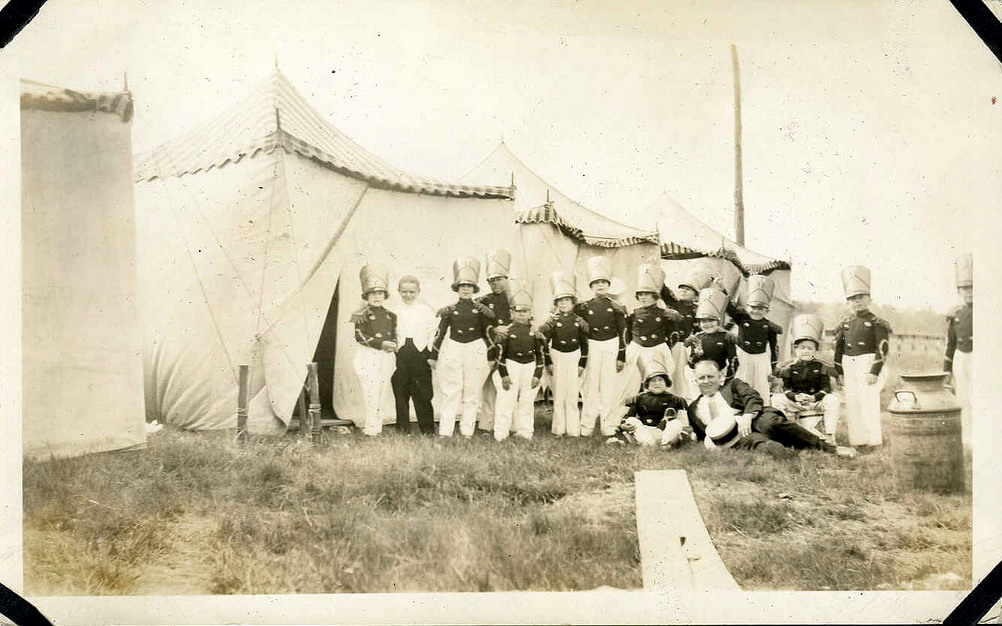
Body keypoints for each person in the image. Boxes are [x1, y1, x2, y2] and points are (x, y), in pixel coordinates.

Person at [687, 359, 855, 458]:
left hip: (753, 419)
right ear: (696, 381)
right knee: (757, 443)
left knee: (771, 422)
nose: (706, 381)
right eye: (702, 378)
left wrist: (748, 416)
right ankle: (779, 450)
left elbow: (753, 397)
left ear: (720, 377)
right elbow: (701, 435)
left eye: (710, 376)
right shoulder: (693, 409)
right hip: (735, 436)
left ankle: (826, 447)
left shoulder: (733, 385)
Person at [428, 257, 496, 438]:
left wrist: (491, 356)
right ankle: (445, 431)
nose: (465, 289)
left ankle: (467, 431)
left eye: (469, 286)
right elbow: (440, 333)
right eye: (462, 286)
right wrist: (433, 355)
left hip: (475, 349)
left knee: (472, 391)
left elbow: (488, 334)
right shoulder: (449, 310)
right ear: (457, 289)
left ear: (474, 289)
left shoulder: (481, 310)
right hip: (454, 348)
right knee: (451, 390)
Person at [613, 263, 683, 420]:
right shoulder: (634, 314)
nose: (643, 297)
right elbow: (626, 334)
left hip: (657, 350)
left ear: (655, 296)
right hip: (636, 350)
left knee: (661, 382)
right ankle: (622, 417)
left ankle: (665, 415)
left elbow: (673, 335)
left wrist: (663, 348)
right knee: (628, 383)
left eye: (647, 294)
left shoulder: (665, 314)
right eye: (640, 294)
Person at [833, 265, 892, 448]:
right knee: (853, 401)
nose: (857, 301)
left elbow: (882, 348)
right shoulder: (845, 323)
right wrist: (838, 372)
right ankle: (858, 440)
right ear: (847, 302)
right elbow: (838, 349)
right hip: (849, 364)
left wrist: (874, 371)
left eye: (861, 297)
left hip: (867, 364)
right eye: (852, 298)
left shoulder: (877, 323)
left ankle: (873, 440)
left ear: (869, 299)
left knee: (868, 401)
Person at [575, 256, 627, 438]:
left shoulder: (616, 306)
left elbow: (623, 332)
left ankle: (608, 425)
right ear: (591, 286)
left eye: (603, 282)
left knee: (609, 386)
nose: (600, 285)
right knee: (590, 386)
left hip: (611, 344)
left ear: (609, 285)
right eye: (596, 283)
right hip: (592, 346)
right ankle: (586, 426)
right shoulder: (583, 306)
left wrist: (621, 356)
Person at [771, 314, 841, 445]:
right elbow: (786, 387)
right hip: (796, 401)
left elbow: (826, 387)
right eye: (802, 348)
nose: (806, 351)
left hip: (815, 401)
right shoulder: (789, 367)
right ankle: (788, 434)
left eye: (810, 348)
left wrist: (814, 398)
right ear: (795, 349)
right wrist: (795, 397)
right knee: (776, 399)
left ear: (815, 350)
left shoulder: (821, 366)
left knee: (833, 399)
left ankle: (830, 435)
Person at [536, 270, 589, 437]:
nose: (564, 303)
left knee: (572, 394)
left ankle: (573, 430)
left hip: (574, 357)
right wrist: (548, 362)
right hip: (557, 356)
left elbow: (585, 344)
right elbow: (544, 340)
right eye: (560, 300)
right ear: (556, 303)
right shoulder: (554, 321)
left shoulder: (578, 321)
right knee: (559, 394)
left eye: (567, 300)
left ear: (573, 302)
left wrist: (582, 364)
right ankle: (558, 429)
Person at [492, 283, 544, 441]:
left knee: (526, 401)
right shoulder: (507, 332)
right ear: (512, 313)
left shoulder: (535, 332)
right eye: (518, 311)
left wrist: (537, 374)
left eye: (525, 311)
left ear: (530, 313)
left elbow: (540, 355)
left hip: (529, 367)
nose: (521, 314)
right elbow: (500, 355)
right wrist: (504, 375)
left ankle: (525, 432)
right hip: (511, 365)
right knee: (506, 400)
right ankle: (501, 433)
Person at [351, 264, 397, 436]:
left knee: (382, 389)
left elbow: (394, 334)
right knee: (370, 389)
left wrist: (393, 344)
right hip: (368, 355)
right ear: (367, 296)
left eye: (380, 293)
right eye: (373, 293)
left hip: (386, 356)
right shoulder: (360, 314)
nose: (377, 296)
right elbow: (359, 336)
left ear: (384, 295)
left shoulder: (391, 315)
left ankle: (378, 425)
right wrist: (381, 344)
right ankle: (371, 426)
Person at [391, 275, 438, 435]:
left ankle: (427, 429)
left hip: (420, 353)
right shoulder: (394, 311)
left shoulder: (425, 310)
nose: (408, 295)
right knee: (401, 391)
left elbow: (433, 332)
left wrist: (430, 352)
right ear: (399, 291)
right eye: (404, 291)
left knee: (423, 392)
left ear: (418, 291)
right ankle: (403, 429)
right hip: (401, 353)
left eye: (412, 292)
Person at [608, 355, 690, 447]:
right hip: (645, 429)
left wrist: (659, 430)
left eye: (660, 380)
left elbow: (669, 416)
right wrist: (624, 425)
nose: (657, 383)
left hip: (663, 429)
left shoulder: (672, 398)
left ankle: (664, 442)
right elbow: (629, 415)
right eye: (653, 381)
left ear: (666, 383)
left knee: (676, 423)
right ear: (647, 384)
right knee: (632, 420)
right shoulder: (639, 397)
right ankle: (649, 442)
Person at [727, 274, 783, 404]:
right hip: (744, 356)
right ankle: (740, 406)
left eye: (760, 309)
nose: (756, 311)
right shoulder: (742, 319)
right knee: (742, 382)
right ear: (747, 307)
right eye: (753, 307)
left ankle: (762, 406)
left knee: (761, 385)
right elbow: (730, 309)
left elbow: (774, 347)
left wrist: (773, 365)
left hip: (760, 358)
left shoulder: (769, 326)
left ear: (767, 311)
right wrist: (723, 289)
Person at [661, 268, 713, 400]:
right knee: (671, 370)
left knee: (684, 374)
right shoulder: (674, 303)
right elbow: (663, 290)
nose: (683, 291)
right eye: (681, 288)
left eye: (688, 289)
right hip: (672, 345)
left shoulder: (698, 309)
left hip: (688, 346)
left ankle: (684, 398)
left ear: (695, 295)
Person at [476, 248, 513, 434]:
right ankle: (487, 424)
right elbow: (478, 325)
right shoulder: (482, 301)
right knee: (489, 388)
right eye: (492, 280)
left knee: (509, 386)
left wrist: (508, 329)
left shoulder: (516, 299)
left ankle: (509, 424)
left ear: (506, 278)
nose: (495, 283)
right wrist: (494, 330)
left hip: (511, 347)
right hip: (490, 346)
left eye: (499, 279)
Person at [944, 253, 973, 456]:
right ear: (959, 291)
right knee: (964, 399)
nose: (969, 291)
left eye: (972, 287)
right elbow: (950, 344)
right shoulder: (956, 314)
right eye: (964, 288)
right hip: (962, 358)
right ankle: (968, 440)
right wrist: (947, 369)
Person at [684, 287, 738, 379]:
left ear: (718, 322)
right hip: (700, 376)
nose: (707, 324)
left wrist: (727, 379)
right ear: (699, 323)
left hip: (720, 376)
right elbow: (691, 364)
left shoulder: (726, 337)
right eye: (704, 321)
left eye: (711, 320)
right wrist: (697, 354)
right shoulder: (697, 338)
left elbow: (733, 361)